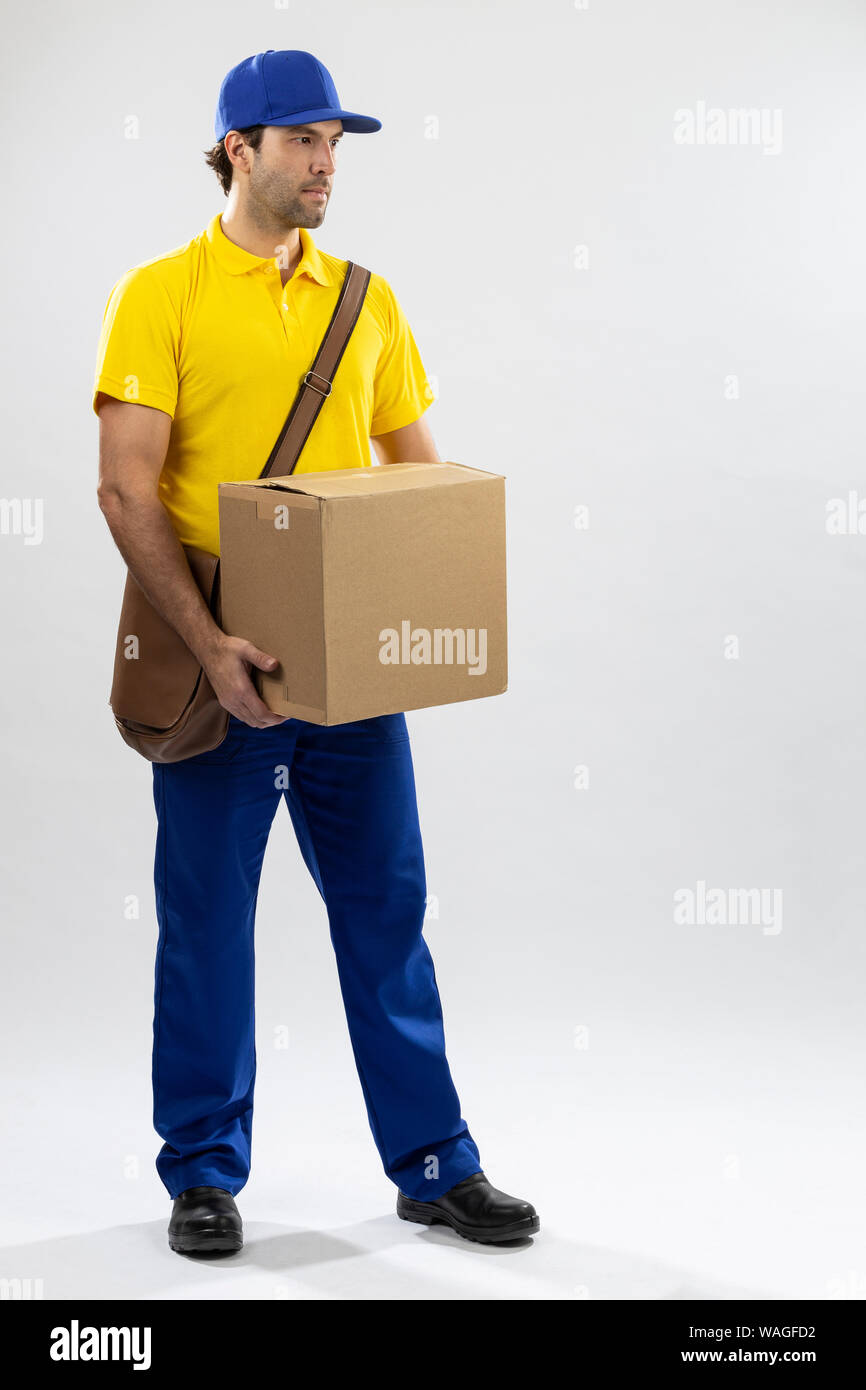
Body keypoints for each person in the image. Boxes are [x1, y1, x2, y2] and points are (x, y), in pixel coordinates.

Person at [93, 48, 538, 1254]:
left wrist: (412, 631)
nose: (326, 163)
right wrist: (211, 643)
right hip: (212, 641)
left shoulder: (366, 298)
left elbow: (415, 478)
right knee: (206, 918)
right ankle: (201, 1171)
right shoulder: (161, 294)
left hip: (339, 660)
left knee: (386, 904)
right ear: (238, 148)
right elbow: (127, 492)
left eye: (336, 142)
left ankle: (434, 1163)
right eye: (302, 140)